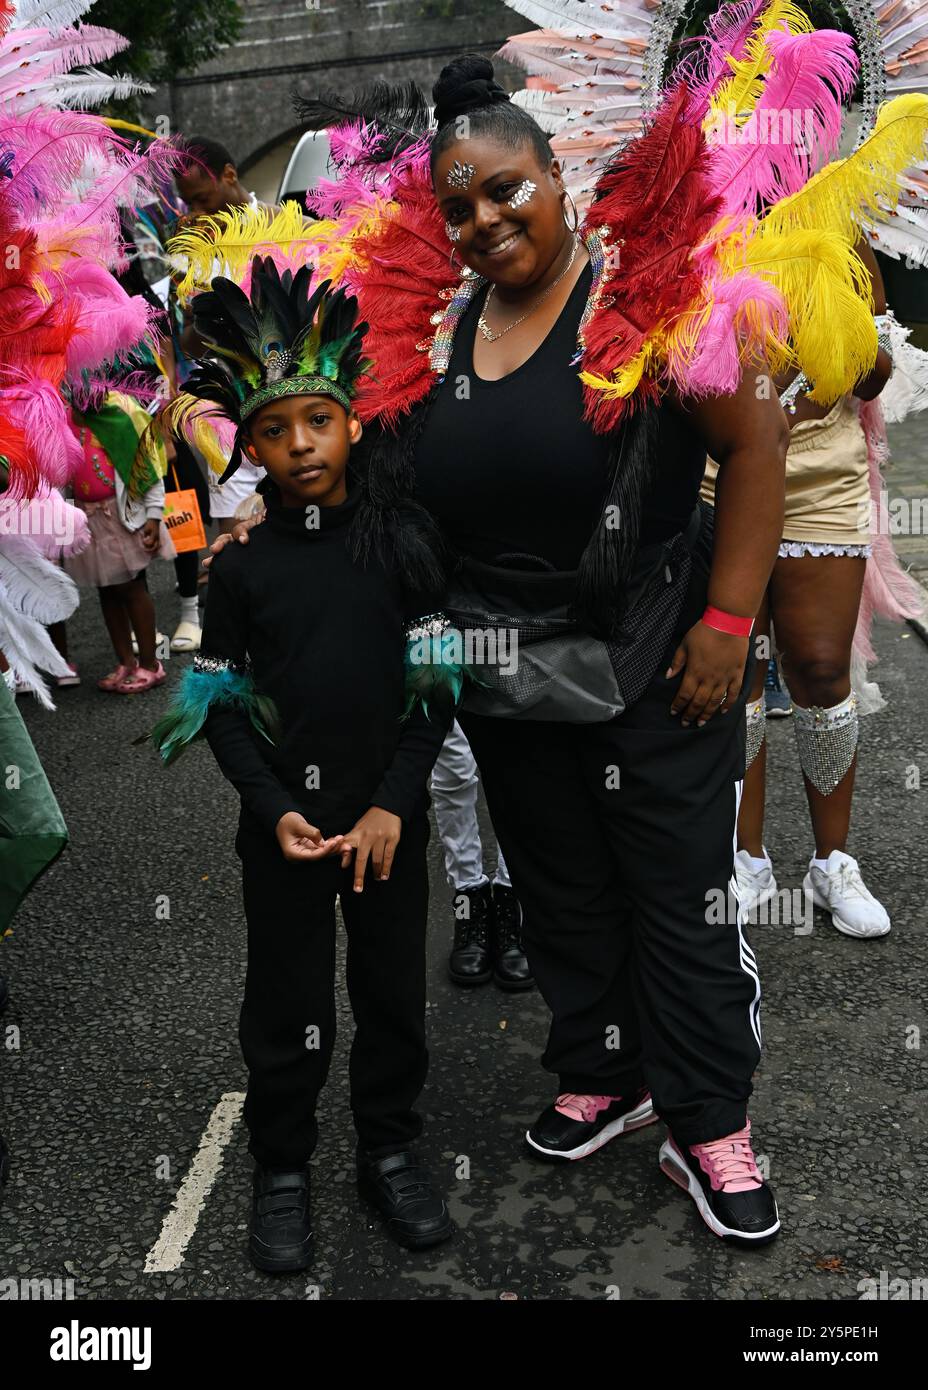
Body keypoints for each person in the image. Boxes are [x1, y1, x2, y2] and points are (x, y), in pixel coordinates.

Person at [144, 254, 457, 1270]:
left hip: (382, 823)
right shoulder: (238, 568)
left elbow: (437, 686)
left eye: (316, 420)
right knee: (287, 1004)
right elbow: (218, 702)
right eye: (274, 431)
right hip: (282, 826)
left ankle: (391, 1150)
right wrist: (272, 804)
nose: (299, 443)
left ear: (352, 423)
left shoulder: (407, 545)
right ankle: (281, 1167)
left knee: (390, 996)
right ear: (253, 448)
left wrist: (392, 807)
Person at [701, 243, 895, 936]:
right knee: (739, 670)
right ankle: (745, 858)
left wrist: (831, 327)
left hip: (822, 469)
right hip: (724, 460)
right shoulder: (704, 221)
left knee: (819, 667)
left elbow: (874, 375)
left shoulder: (838, 228)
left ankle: (832, 862)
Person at [63, 387, 173, 694]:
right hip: (89, 519)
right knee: (107, 590)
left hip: (122, 517)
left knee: (131, 586)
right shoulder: (66, 421)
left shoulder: (118, 415)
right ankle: (125, 660)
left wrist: (153, 514)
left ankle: (151, 663)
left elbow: (146, 467)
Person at [431, 720, 532, 989]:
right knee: (453, 768)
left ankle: (510, 898)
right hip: (454, 677)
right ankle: (468, 899)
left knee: (517, 763)